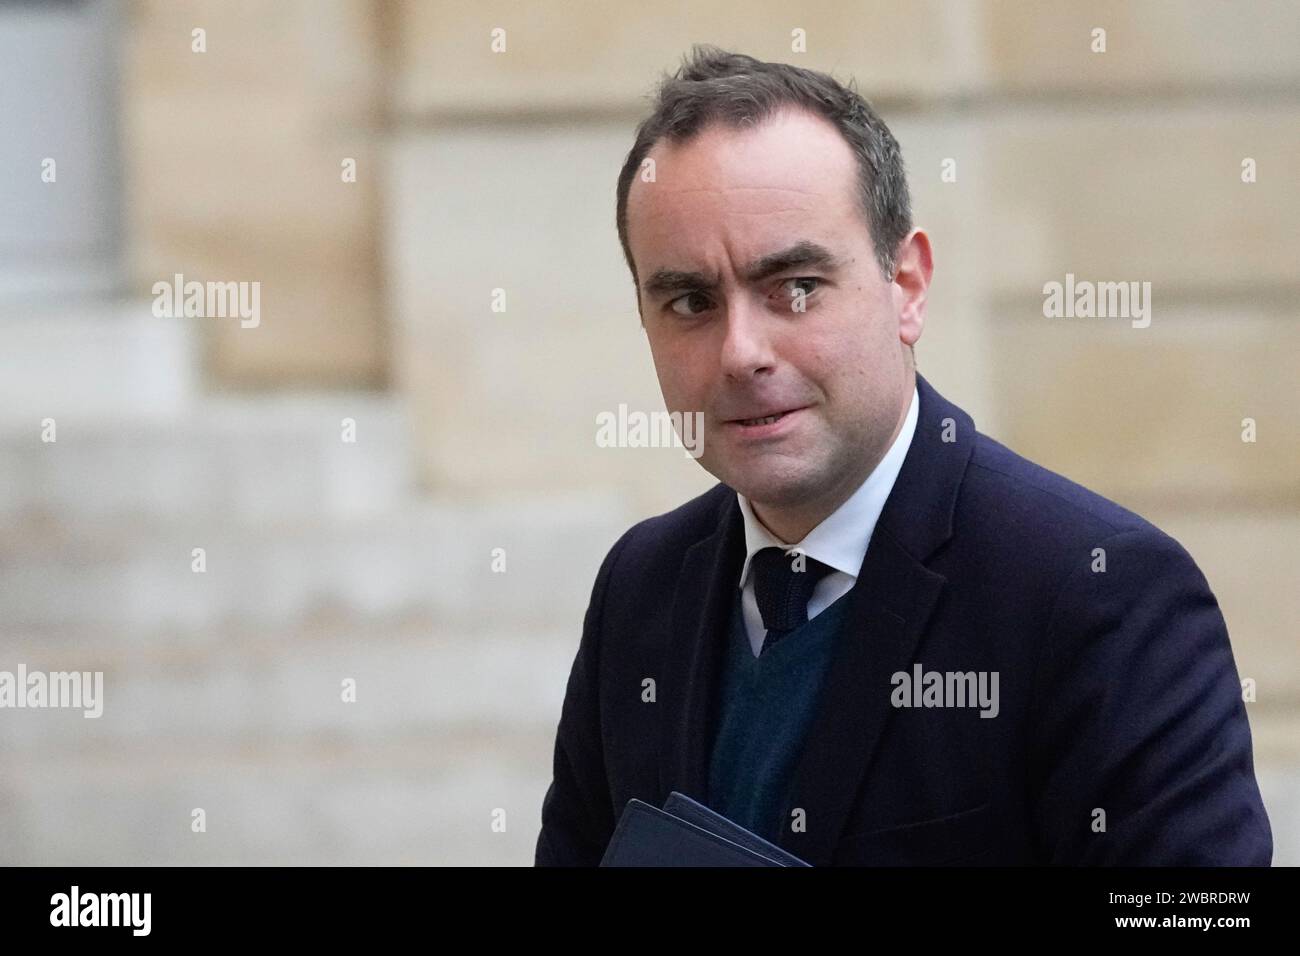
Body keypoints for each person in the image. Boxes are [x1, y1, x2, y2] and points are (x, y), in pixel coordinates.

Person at [534, 46, 1272, 866]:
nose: (741, 351)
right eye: (691, 301)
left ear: (907, 285)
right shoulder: (641, 588)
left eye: (797, 286)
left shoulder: (1097, 594)